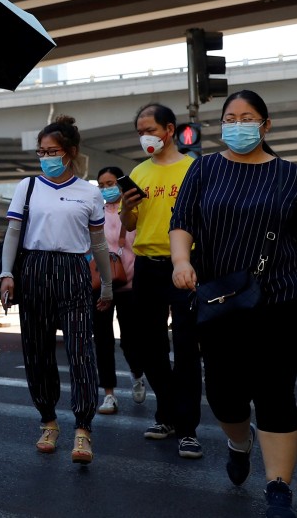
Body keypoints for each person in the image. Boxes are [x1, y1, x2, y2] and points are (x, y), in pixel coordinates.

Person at [170, 89, 297, 518]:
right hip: (221, 299)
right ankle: (239, 440)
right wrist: (181, 261)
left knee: (275, 391)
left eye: (248, 118)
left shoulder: (289, 176)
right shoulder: (204, 170)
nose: (238, 125)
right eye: (230, 117)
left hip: (281, 300)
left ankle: (278, 487)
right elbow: (183, 222)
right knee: (225, 395)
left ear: (266, 126)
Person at [0, 116, 113, 465]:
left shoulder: (89, 192)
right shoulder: (28, 186)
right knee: (37, 351)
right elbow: (14, 234)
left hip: (74, 272)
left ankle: (83, 428)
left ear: (71, 153)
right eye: (41, 151)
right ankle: (48, 421)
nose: (46, 157)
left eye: (53, 151)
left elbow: (99, 244)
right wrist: (6, 273)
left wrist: (107, 284)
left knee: (81, 351)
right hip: (33, 269)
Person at [118, 103, 202, 458]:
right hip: (148, 266)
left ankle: (187, 429)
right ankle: (167, 413)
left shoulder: (195, 168)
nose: (145, 137)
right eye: (140, 131)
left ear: (169, 130)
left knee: (185, 349)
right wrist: (126, 206)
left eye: (150, 129)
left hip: (185, 265)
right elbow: (130, 224)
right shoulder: (139, 170)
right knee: (147, 346)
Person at [94, 166, 146, 412]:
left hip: (131, 286)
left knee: (131, 339)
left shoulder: (135, 212)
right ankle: (109, 394)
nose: (106, 188)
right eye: (102, 184)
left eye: (110, 182)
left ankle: (137, 375)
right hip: (101, 285)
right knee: (102, 339)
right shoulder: (95, 213)